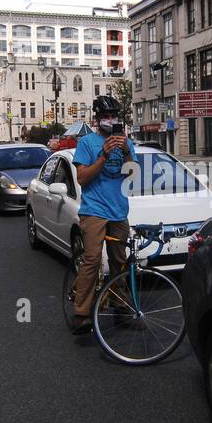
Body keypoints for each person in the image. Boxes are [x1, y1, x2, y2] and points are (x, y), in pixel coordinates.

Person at [70, 95, 136, 334]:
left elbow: (133, 176)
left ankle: (121, 307)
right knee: (93, 258)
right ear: (97, 120)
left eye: (114, 116)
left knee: (120, 261)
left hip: (119, 210)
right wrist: (104, 155)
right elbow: (82, 177)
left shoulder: (126, 142)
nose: (111, 120)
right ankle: (82, 313)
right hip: (94, 210)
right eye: (106, 117)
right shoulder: (87, 143)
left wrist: (126, 150)